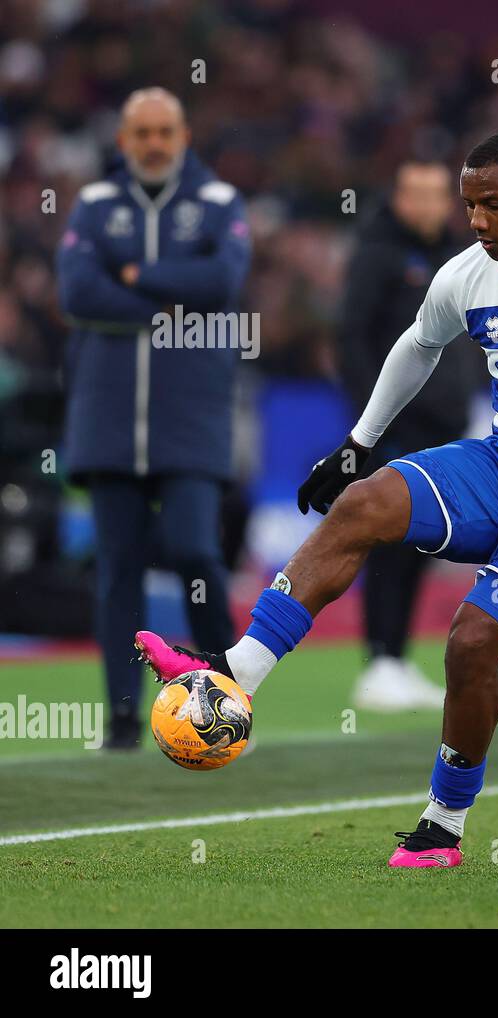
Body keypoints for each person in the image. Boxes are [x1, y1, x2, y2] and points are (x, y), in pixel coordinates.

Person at [135, 131, 498, 868]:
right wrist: (359, 444)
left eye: (491, 205)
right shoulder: (467, 275)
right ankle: (235, 670)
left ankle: (443, 823)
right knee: (364, 503)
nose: (474, 220)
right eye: (468, 204)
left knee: (471, 643)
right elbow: (417, 345)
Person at [57, 88, 250, 750]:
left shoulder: (219, 203)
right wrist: (168, 300)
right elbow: (76, 290)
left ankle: (227, 695)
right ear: (123, 141)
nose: (154, 144)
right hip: (107, 421)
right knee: (118, 570)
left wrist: (135, 272)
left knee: (198, 550)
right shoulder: (94, 204)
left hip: (189, 423)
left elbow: (221, 283)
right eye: (141, 132)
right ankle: (119, 722)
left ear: (184, 135)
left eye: (165, 131)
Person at [337, 161, 487, 710]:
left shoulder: (457, 252)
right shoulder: (378, 254)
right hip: (398, 425)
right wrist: (368, 424)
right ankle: (378, 661)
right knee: (389, 539)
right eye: (414, 194)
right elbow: (351, 338)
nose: (426, 205)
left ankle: (395, 660)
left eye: (435, 194)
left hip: (445, 423)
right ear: (397, 198)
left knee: (420, 540)